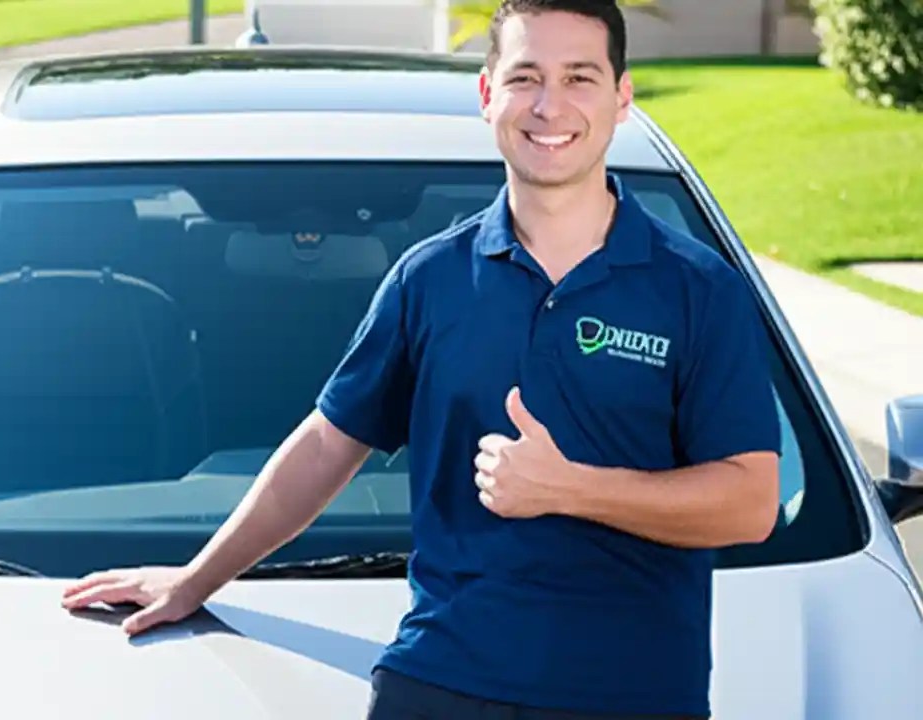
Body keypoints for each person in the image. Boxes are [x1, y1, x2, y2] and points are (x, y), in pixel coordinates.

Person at [60, 1, 781, 717]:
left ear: (622, 97)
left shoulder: (699, 289)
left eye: (580, 77)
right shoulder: (430, 279)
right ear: (487, 93)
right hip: (441, 685)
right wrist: (194, 579)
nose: (549, 106)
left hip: (631, 696)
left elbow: (749, 504)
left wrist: (569, 489)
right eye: (525, 76)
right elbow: (325, 445)